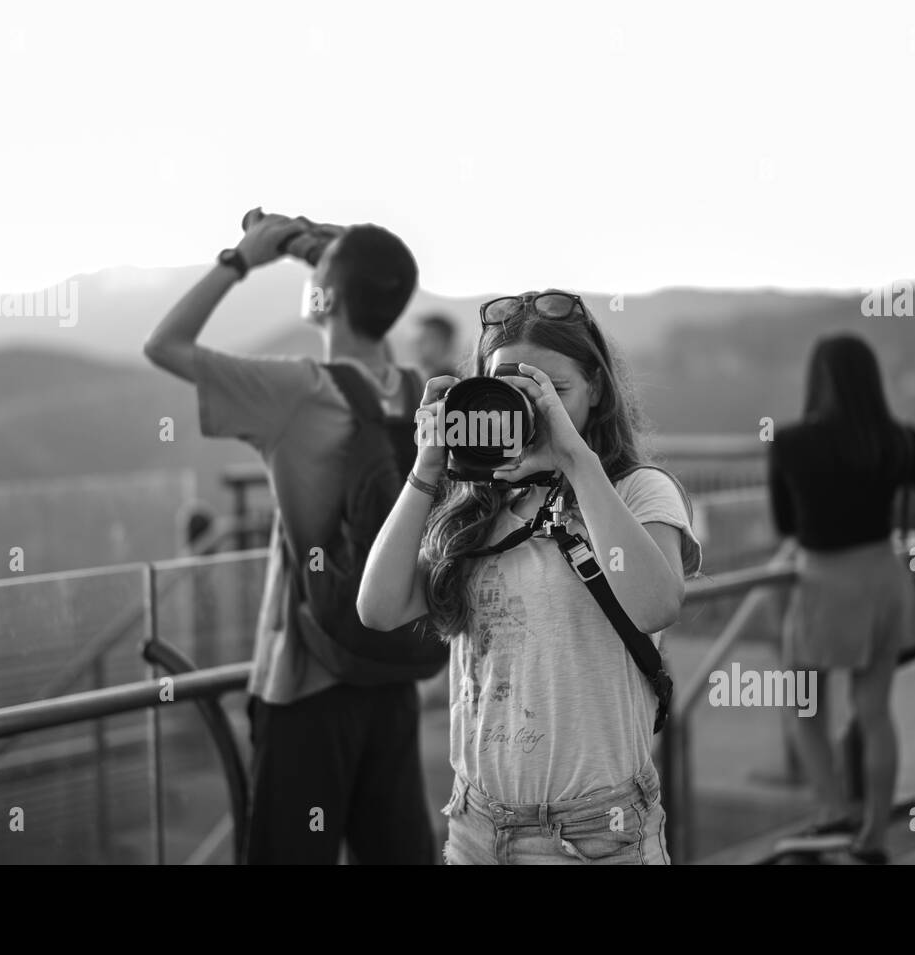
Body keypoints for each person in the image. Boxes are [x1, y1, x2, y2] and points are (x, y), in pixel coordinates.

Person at [357, 289, 702, 865]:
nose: (537, 413)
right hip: (477, 826)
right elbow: (379, 608)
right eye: (513, 395)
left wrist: (573, 460)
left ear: (596, 387)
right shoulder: (478, 510)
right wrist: (425, 469)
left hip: (596, 834)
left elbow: (656, 605)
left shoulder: (636, 492)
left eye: (555, 393)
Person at [144, 208, 435, 864]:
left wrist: (240, 258)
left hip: (306, 682)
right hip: (393, 668)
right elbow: (368, 325)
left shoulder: (298, 392)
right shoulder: (418, 394)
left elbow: (163, 344)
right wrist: (336, 264)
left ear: (327, 296)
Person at [768, 333, 915, 865]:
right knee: (874, 712)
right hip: (883, 577)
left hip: (822, 585)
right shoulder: (900, 439)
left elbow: (787, 524)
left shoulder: (789, 442)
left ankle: (833, 810)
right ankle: (873, 836)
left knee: (804, 707)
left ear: (818, 379)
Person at [414, 312, 461, 380]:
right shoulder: (423, 378)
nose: (418, 344)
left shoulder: (449, 383)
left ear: (442, 344)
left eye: (425, 339)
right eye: (419, 339)